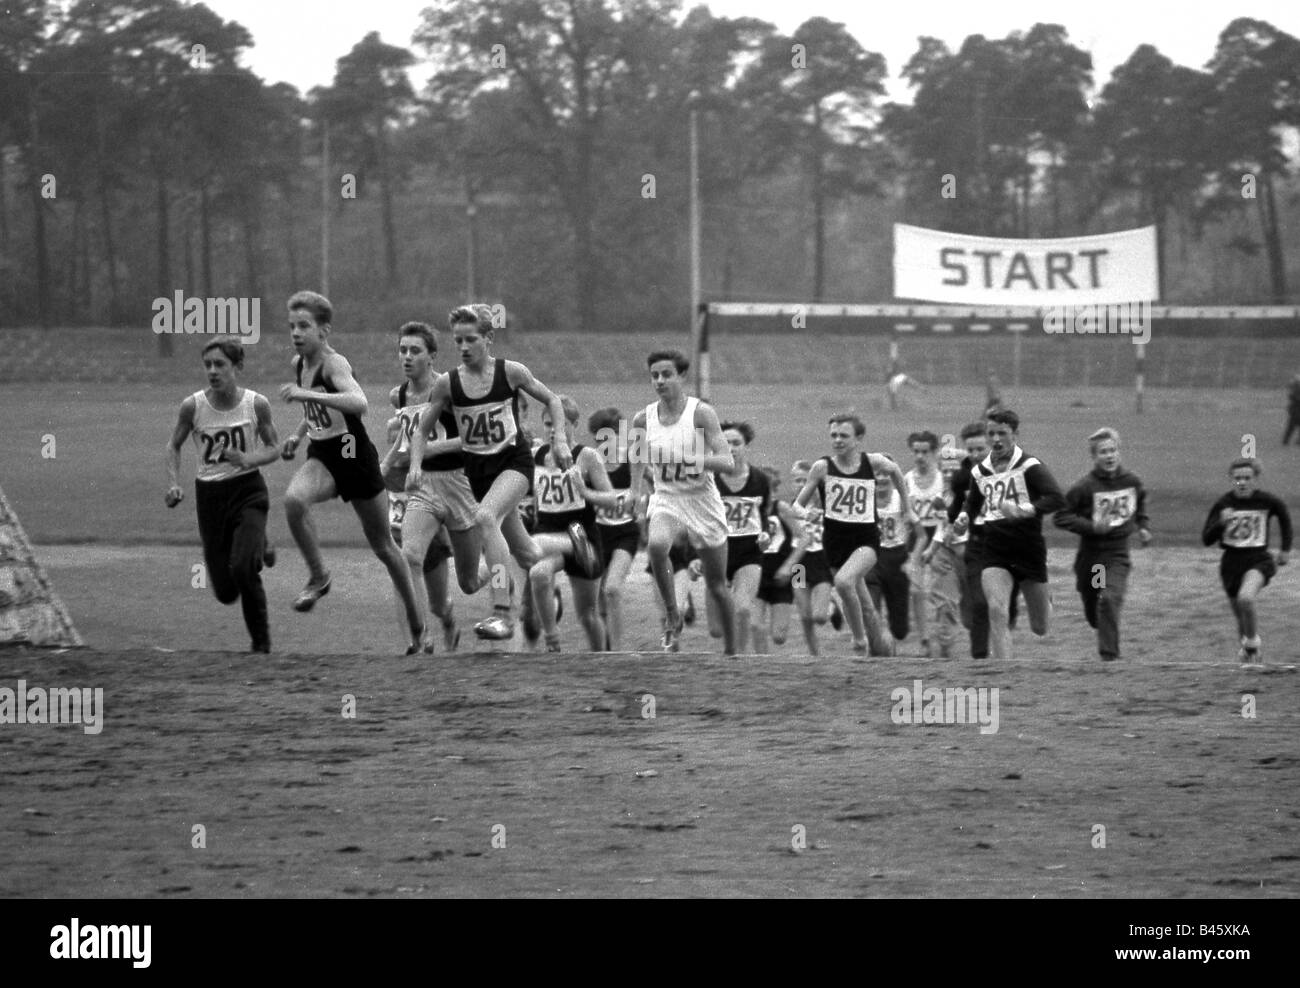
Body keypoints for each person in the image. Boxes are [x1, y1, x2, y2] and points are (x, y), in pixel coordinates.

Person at [407, 304, 597, 642]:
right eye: (458, 341)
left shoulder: (511, 372)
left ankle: (501, 614)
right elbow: (421, 431)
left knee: (485, 517)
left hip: (513, 464)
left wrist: (560, 442)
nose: (463, 348)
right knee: (525, 552)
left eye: (471, 340)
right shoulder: (448, 385)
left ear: (488, 338)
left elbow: (552, 400)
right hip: (479, 473)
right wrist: (416, 465)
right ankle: (571, 544)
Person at [277, 291, 426, 654]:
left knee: (385, 548)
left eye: (304, 326)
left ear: (324, 330)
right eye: (292, 326)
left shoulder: (334, 363)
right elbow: (316, 407)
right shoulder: (300, 363)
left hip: (354, 454)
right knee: (294, 501)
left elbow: (357, 403)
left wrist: (307, 396)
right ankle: (319, 576)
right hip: (325, 453)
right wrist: (297, 436)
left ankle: (419, 626)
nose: (296, 333)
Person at [378, 321, 490, 653]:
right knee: (407, 557)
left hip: (458, 484)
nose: (407, 357)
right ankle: (419, 639)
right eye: (402, 350)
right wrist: (386, 465)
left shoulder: (451, 387)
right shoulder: (397, 395)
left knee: (468, 583)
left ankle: (500, 567)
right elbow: (408, 433)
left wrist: (431, 448)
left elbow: (473, 437)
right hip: (423, 485)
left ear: (432, 356)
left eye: (415, 350)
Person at [165, 338, 282, 653]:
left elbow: (274, 448)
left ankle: (261, 646)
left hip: (248, 491)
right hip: (211, 498)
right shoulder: (193, 406)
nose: (213, 371)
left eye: (220, 365)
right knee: (227, 592)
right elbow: (173, 446)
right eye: (208, 365)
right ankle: (260, 542)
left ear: (237, 367)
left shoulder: (256, 404)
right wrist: (173, 483)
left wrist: (249, 459)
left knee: (244, 568)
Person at [629, 349, 736, 653]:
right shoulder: (643, 418)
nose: (659, 381)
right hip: (668, 499)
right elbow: (636, 455)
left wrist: (686, 457)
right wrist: (635, 490)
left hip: (703, 501)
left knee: (717, 585)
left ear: (682, 376)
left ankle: (733, 653)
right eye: (654, 376)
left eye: (666, 374)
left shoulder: (700, 413)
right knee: (656, 545)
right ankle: (673, 615)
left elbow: (727, 462)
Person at [791, 414, 915, 655]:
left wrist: (907, 509)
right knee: (864, 604)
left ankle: (859, 640)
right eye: (834, 435)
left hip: (865, 541)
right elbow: (798, 506)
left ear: (858, 439)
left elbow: (896, 471)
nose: (837, 440)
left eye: (844, 435)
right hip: (835, 544)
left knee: (843, 582)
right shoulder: (822, 467)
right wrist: (808, 515)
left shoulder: (873, 462)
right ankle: (881, 651)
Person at [953, 409, 1065, 662]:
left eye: (1002, 433)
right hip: (995, 550)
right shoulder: (981, 471)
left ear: (1014, 434)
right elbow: (972, 505)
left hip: (1028, 549)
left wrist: (1026, 510)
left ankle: (1046, 600)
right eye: (991, 433)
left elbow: (1057, 498)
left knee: (1040, 627)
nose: (996, 439)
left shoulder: (1029, 466)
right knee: (996, 609)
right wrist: (963, 519)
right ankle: (1005, 673)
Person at [1053, 427, 1151, 661]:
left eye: (1113, 450)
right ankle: (1101, 623)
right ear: (1094, 457)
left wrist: (1143, 526)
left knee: (1108, 598)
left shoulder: (1132, 481)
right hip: (1093, 558)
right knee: (1096, 603)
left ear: (1119, 453)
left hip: (1117, 555)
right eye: (1103, 452)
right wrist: (1092, 527)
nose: (1109, 456)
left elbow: (1140, 506)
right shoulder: (1084, 487)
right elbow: (1061, 516)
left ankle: (1109, 658)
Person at [528, 395, 615, 652]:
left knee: (587, 615)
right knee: (539, 574)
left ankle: (601, 658)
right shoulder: (535, 456)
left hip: (581, 533)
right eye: (548, 424)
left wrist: (584, 491)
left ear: (574, 424)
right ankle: (552, 641)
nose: (554, 430)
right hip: (549, 534)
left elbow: (610, 499)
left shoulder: (586, 457)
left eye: (561, 424)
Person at [1201, 458, 1291, 664]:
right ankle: (1250, 654)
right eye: (1238, 478)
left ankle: (1251, 644)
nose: (1242, 482)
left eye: (1247, 478)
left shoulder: (1267, 501)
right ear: (1231, 479)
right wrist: (1221, 523)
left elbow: (1284, 516)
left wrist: (1285, 549)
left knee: (1246, 599)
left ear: (1255, 479)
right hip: (1231, 563)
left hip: (1259, 560)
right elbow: (1206, 539)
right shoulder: (1223, 504)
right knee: (1241, 614)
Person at [712, 421, 771, 653]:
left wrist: (766, 533)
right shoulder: (710, 480)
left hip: (749, 550)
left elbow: (764, 514)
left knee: (744, 609)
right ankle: (730, 648)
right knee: (716, 628)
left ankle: (739, 660)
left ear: (746, 447)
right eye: (726, 444)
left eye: (737, 443)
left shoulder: (760, 479)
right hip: (717, 550)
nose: (732, 448)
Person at [587, 407, 639, 651]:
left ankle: (618, 652)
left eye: (609, 436)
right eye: (598, 438)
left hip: (624, 534)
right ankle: (604, 651)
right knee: (598, 601)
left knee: (613, 588)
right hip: (596, 534)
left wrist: (641, 501)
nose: (604, 443)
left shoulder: (632, 461)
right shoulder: (589, 463)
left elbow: (656, 487)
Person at [777, 460, 836, 656]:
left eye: (805, 480)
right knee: (805, 615)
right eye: (797, 480)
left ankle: (832, 606)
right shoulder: (790, 508)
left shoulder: (827, 505)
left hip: (820, 562)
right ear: (792, 483)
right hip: (799, 565)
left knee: (819, 616)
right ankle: (815, 655)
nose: (801, 484)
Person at [865, 458, 912, 655]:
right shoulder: (865, 500)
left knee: (900, 629)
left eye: (886, 474)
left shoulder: (900, 499)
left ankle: (889, 642)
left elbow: (918, 531)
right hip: (872, 557)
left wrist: (912, 557)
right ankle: (875, 651)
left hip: (897, 558)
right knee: (870, 609)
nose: (882, 478)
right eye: (878, 474)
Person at [903, 430, 944, 650]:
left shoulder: (942, 479)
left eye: (925, 452)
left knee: (939, 590)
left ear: (934, 452)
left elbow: (947, 516)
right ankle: (924, 637)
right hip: (916, 539)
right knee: (916, 590)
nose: (920, 456)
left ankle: (943, 628)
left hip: (939, 537)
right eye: (916, 451)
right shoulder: (907, 480)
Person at [753, 467, 800, 653]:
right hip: (757, 575)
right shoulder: (750, 510)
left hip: (783, 576)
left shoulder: (781, 508)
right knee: (755, 625)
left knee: (779, 637)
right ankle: (760, 666)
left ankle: (829, 605)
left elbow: (803, 538)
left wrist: (791, 567)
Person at [1284, 375, 1300, 446]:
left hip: (1294, 412)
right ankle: (1286, 441)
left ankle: (1286, 441)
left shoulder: (1293, 392)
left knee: (1290, 428)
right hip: (1295, 412)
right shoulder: (1294, 392)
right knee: (1290, 428)